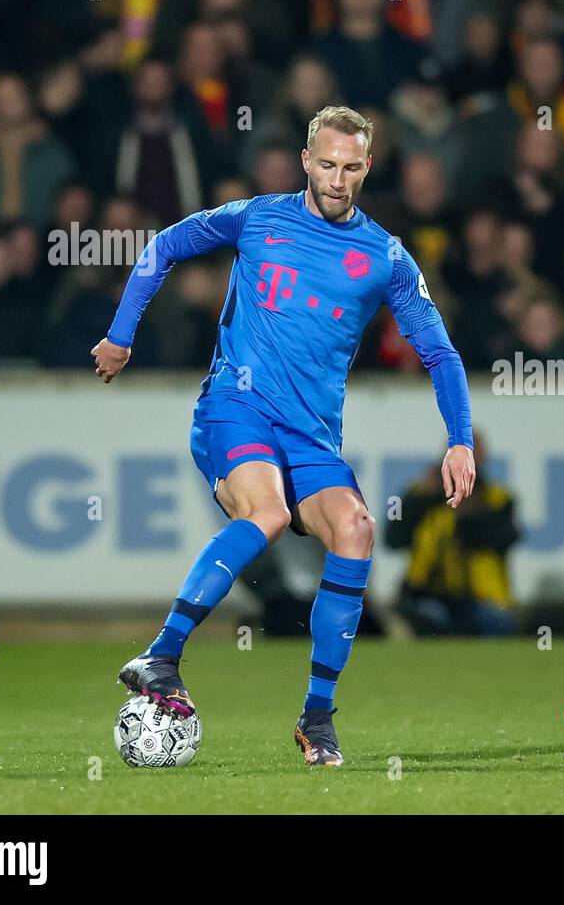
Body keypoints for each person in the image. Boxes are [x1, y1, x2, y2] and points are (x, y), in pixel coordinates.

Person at [91, 105, 476, 767]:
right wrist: (122, 334)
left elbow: (440, 354)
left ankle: (317, 717)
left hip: (309, 437)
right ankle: (162, 655)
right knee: (265, 512)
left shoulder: (384, 256)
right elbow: (164, 247)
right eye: (326, 164)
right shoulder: (256, 218)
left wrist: (460, 438)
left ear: (367, 167)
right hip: (233, 410)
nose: (337, 179)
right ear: (306, 160)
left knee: (355, 529)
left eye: (351, 168)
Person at [389, 433, 520, 636]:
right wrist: (420, 501)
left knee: (495, 622)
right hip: (427, 592)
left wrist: (469, 518)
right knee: (430, 618)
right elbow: (393, 539)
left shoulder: (497, 498)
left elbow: (506, 539)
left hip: (482, 596)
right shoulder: (420, 495)